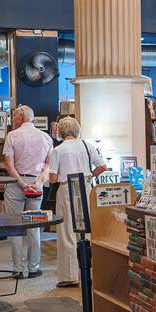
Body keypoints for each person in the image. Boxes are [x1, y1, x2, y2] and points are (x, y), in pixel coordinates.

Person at [41, 117, 108, 288]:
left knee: (67, 232)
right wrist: (90, 175)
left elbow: (54, 178)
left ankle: (69, 276)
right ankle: (92, 271)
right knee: (87, 230)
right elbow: (103, 166)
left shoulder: (58, 150)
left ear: (61, 131)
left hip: (66, 189)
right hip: (85, 187)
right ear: (77, 129)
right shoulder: (87, 145)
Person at [1, 105, 53, 278]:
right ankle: (34, 267)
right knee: (34, 227)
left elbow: (9, 165)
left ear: (21, 116)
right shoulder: (46, 137)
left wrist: (23, 184)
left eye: (15, 116)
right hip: (36, 185)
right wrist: (38, 183)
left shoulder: (12, 136)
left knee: (15, 226)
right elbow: (49, 164)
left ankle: (18, 268)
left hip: (16, 183)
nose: (13, 120)